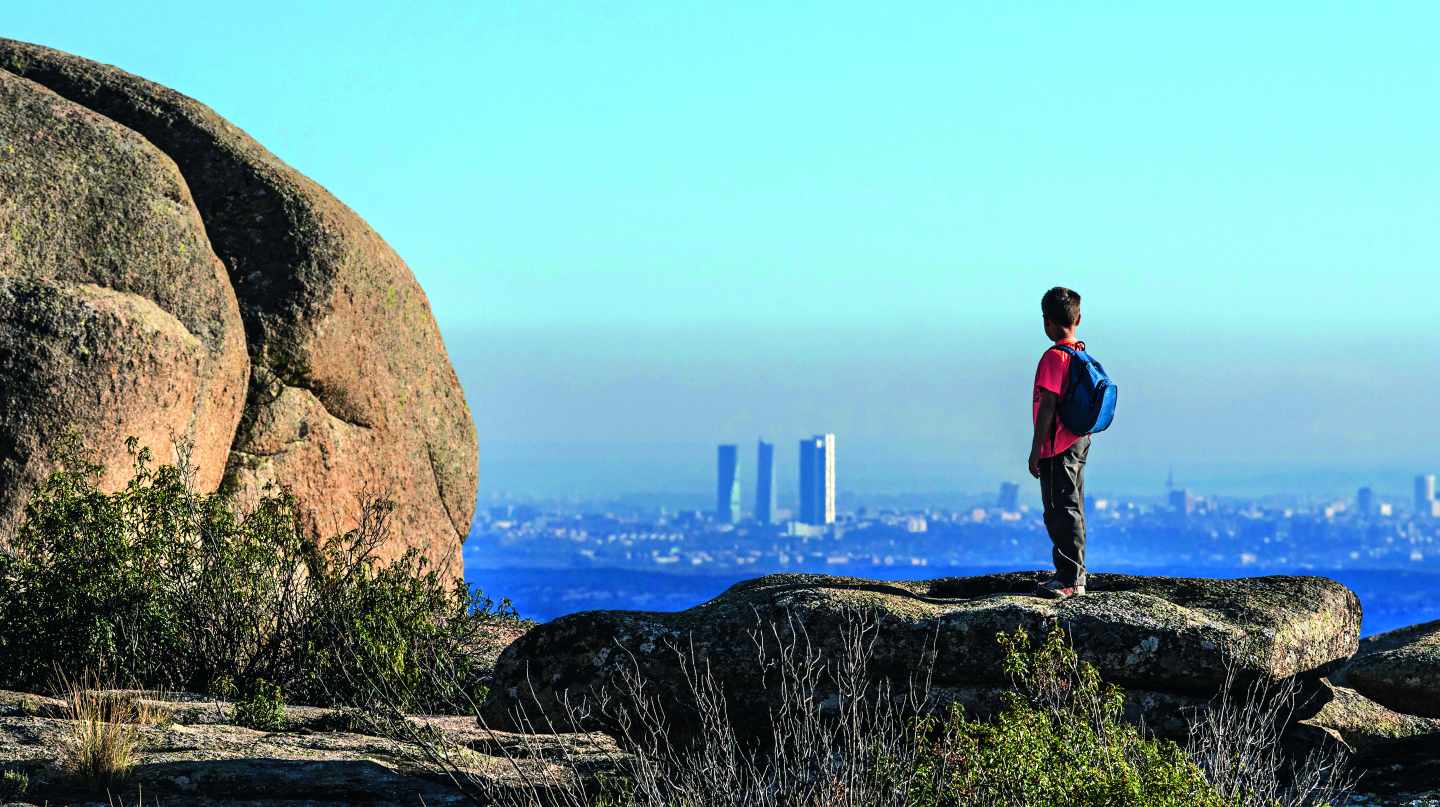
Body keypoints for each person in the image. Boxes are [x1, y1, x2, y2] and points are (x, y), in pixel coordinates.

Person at [1029, 287, 1090, 599]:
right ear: (1078, 318)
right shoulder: (1080, 352)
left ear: (1047, 322)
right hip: (1079, 441)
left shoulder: (1054, 358)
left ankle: (1069, 578)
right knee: (1073, 506)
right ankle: (1073, 574)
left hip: (1057, 445)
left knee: (1059, 509)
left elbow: (1048, 405)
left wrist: (1036, 448)